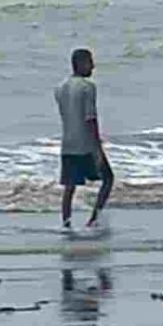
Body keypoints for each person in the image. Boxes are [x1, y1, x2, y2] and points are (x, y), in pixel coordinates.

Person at [56, 48, 112, 230]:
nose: (93, 66)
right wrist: (97, 148)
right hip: (86, 145)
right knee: (108, 178)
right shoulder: (88, 87)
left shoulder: (60, 88)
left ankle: (66, 222)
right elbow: (90, 118)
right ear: (80, 64)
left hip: (67, 143)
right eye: (90, 62)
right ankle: (94, 219)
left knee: (70, 186)